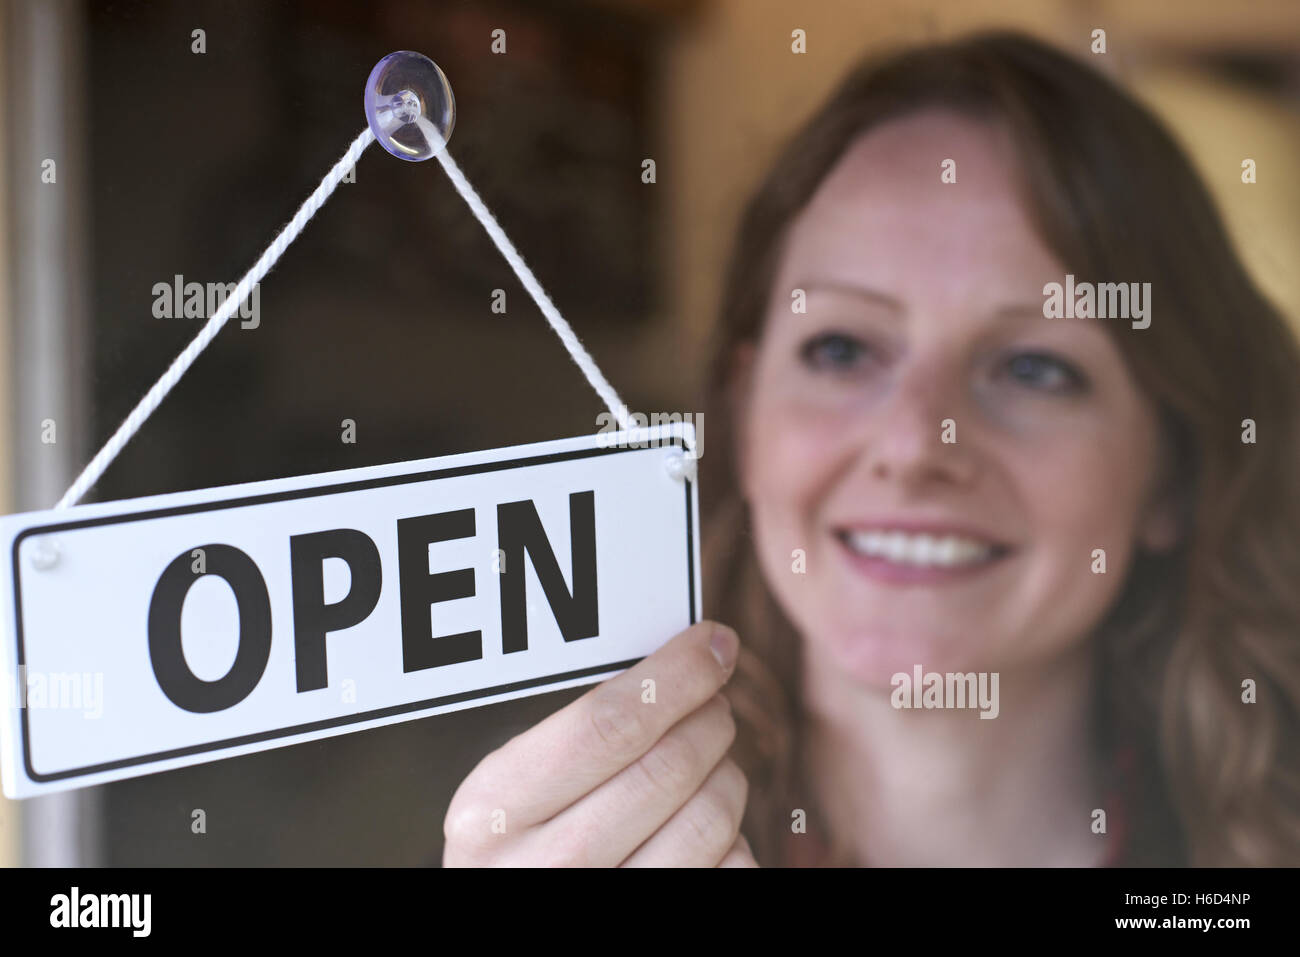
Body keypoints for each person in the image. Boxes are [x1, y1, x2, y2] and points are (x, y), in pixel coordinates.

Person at [441, 31, 1300, 867]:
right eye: (843, 349)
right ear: (746, 412)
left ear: (1173, 473)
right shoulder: (551, 833)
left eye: (1035, 367)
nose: (916, 443)